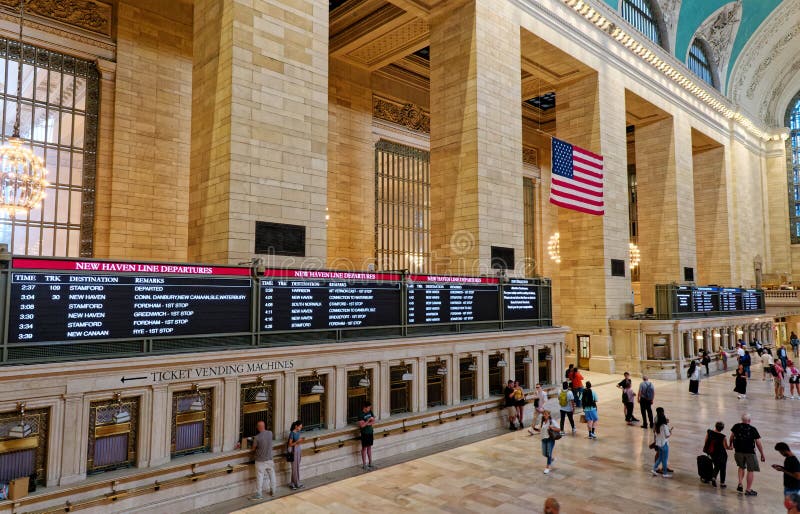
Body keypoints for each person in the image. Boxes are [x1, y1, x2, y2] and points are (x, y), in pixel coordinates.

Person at [729, 413, 766, 496]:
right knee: (750, 470)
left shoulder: (736, 426)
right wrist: (762, 454)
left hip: (738, 451)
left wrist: (730, 445)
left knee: (741, 467)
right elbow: (758, 443)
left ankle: (740, 483)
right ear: (749, 420)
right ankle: (748, 490)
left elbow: (731, 437)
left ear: (742, 420)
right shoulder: (753, 429)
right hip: (750, 452)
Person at [249, 420, 275, 500]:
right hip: (270, 459)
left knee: (260, 477)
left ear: (258, 427)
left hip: (260, 461)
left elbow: (253, 449)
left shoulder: (257, 438)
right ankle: (273, 490)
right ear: (264, 426)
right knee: (272, 475)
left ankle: (259, 494)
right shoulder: (270, 433)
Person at [703, 421, 730, 488]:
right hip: (721, 454)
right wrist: (731, 447)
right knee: (723, 467)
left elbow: (706, 441)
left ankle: (713, 477)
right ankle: (722, 483)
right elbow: (726, 447)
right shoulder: (723, 437)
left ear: (715, 426)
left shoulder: (709, 432)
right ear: (722, 429)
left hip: (712, 453)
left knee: (717, 465)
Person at [651, 407, 672, 478]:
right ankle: (665, 473)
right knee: (664, 459)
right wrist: (670, 432)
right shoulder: (664, 426)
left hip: (659, 443)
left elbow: (655, 432)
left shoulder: (657, 425)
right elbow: (667, 435)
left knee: (660, 457)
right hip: (664, 444)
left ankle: (654, 469)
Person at [540, 409, 560, 474]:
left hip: (550, 439)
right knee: (544, 453)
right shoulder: (543, 421)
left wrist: (552, 428)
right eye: (543, 414)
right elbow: (542, 430)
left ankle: (547, 467)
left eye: (546, 414)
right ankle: (551, 459)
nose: (544, 415)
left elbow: (559, 429)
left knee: (548, 453)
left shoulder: (552, 421)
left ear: (549, 415)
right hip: (543, 439)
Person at [287, 420, 306, 490]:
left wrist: (300, 440)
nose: (300, 428)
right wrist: (298, 441)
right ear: (296, 426)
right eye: (300, 427)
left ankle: (292, 483)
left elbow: (298, 442)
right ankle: (297, 483)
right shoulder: (292, 433)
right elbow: (290, 444)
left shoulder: (298, 432)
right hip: (293, 451)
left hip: (298, 450)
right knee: (294, 468)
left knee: (296, 467)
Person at [358, 402, 376, 471]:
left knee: (369, 447)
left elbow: (373, 421)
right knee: (364, 448)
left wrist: (367, 423)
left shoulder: (370, 412)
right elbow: (362, 425)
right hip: (364, 433)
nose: (369, 409)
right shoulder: (361, 414)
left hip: (370, 431)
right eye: (368, 408)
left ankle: (370, 463)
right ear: (364, 407)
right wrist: (368, 420)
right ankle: (364, 464)